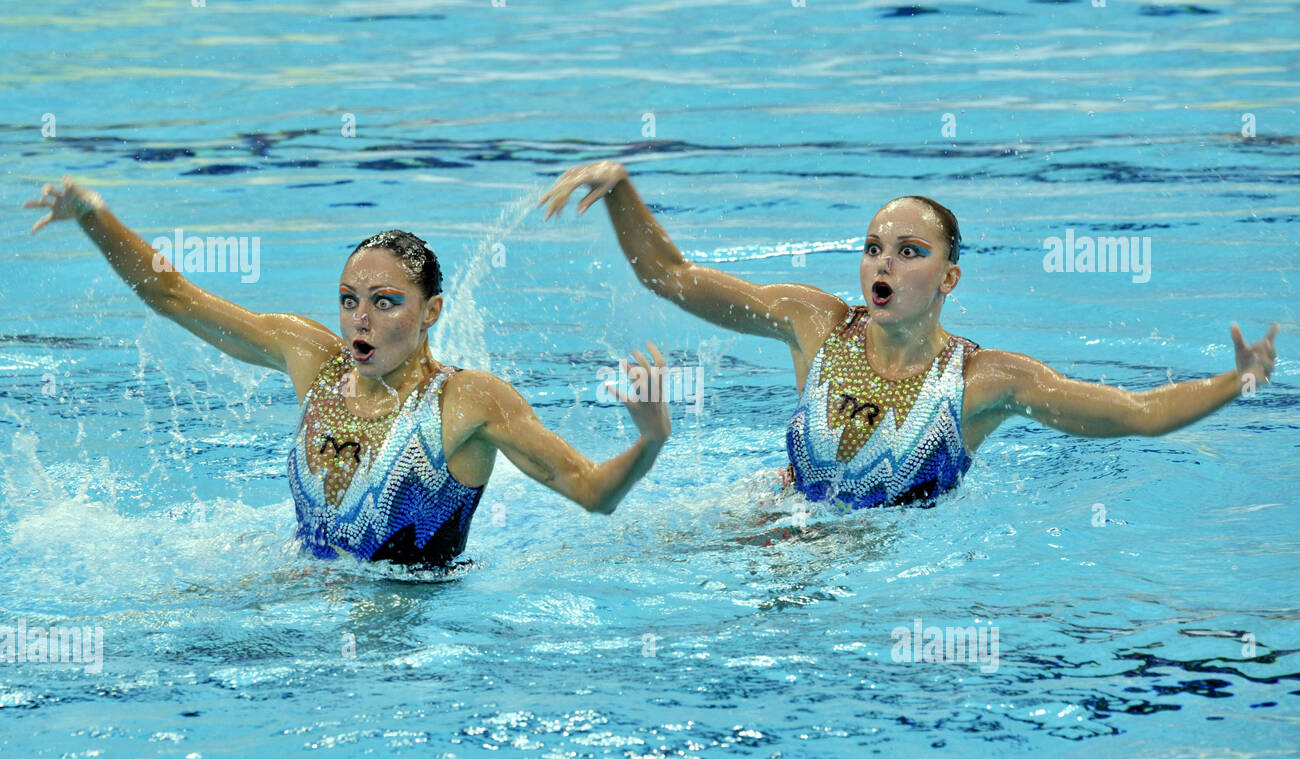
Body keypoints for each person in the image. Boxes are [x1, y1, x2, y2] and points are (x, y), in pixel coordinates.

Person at [539, 161, 1279, 511]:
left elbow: (1138, 415)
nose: (882, 263)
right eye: (872, 246)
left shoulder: (986, 382)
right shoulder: (814, 321)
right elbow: (670, 275)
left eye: (909, 251)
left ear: (948, 280)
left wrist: (1236, 380)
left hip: (872, 570)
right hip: (767, 511)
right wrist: (621, 189)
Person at [27, 177, 671, 569]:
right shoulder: (314, 359)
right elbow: (176, 297)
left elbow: (593, 493)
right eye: (349, 300)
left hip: (407, 632)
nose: (360, 319)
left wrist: (650, 440)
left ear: (430, 313)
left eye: (385, 302)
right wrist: (94, 215)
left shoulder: (468, 401)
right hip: (305, 589)